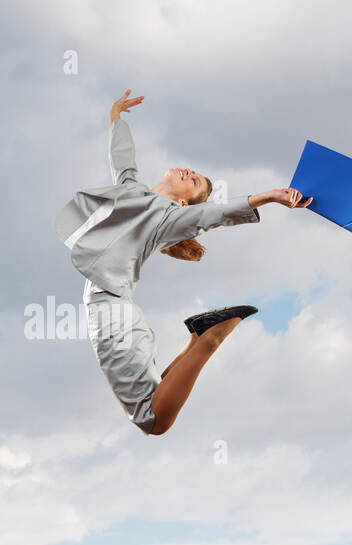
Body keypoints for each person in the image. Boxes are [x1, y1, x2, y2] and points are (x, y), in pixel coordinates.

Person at [53, 89, 312, 435]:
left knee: (153, 419)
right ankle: (198, 338)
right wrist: (115, 117)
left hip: (109, 308)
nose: (189, 172)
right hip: (113, 306)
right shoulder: (134, 191)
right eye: (192, 171)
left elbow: (213, 214)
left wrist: (268, 196)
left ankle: (208, 339)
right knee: (155, 403)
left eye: (194, 181)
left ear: (184, 204)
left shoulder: (169, 218)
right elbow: (123, 161)